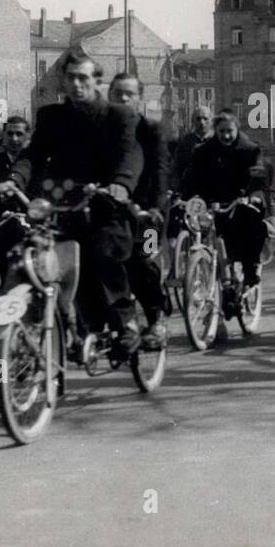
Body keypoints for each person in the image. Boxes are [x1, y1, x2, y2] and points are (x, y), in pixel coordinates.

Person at [1, 52, 147, 349]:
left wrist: (120, 184)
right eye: (71, 77)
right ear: (63, 81)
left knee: (104, 253)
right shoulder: (51, 116)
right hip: (62, 207)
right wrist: (15, 178)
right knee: (35, 257)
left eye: (84, 77)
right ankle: (43, 328)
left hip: (105, 205)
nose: (77, 84)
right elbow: (34, 154)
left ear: (96, 81)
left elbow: (129, 155)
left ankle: (126, 323)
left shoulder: (118, 116)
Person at [181, 110, 272, 308]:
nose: (226, 136)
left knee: (249, 225)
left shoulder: (250, 149)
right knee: (203, 232)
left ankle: (249, 273)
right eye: (221, 131)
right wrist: (188, 197)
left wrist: (253, 197)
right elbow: (192, 177)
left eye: (229, 131)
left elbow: (258, 177)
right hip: (214, 200)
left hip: (241, 200)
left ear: (237, 129)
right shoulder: (204, 150)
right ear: (216, 131)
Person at [109, 73, 171, 346]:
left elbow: (160, 171)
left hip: (148, 216)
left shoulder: (151, 131)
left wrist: (156, 207)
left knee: (144, 260)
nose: (122, 98)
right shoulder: (102, 131)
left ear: (139, 98)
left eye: (129, 94)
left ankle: (156, 321)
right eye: (117, 93)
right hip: (113, 212)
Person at [171, 105, 214, 194]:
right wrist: (177, 189)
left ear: (211, 121)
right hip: (190, 191)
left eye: (205, 119)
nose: (202, 122)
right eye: (198, 119)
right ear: (192, 121)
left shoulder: (217, 141)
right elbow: (177, 168)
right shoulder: (185, 142)